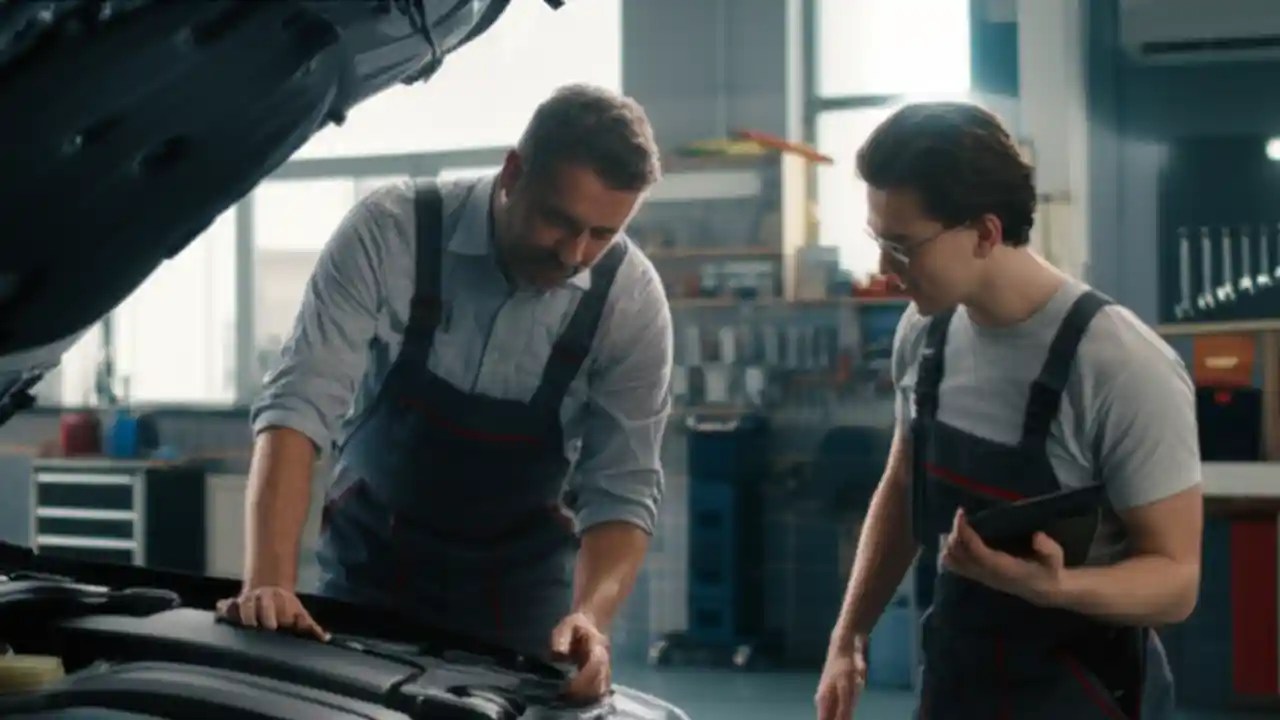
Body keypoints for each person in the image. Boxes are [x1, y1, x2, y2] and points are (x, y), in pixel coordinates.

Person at [216, 83, 674, 703]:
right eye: (559, 221)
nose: (575, 254)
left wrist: (591, 618)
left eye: (601, 234)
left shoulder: (631, 300)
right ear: (514, 171)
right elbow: (299, 408)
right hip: (370, 571)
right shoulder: (391, 233)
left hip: (522, 597)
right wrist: (268, 582)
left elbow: (623, 486)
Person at [815, 102, 1202, 719]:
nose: (883, 271)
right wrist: (848, 634)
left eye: (902, 246)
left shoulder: (1121, 366)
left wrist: (1057, 587)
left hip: (1083, 697)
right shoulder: (924, 333)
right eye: (877, 242)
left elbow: (1177, 582)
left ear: (986, 233)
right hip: (958, 683)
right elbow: (905, 483)